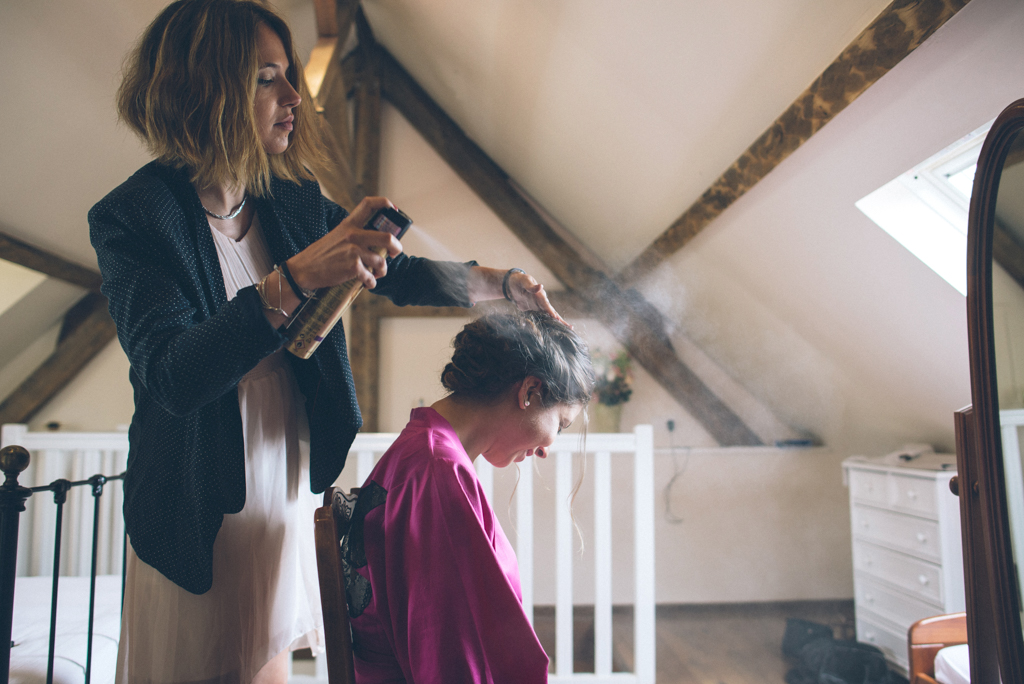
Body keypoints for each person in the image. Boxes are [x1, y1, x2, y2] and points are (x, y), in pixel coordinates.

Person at [88, 2, 563, 682]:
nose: (294, 98)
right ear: (205, 89)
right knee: (205, 662)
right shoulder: (135, 217)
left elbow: (395, 270)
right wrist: (296, 278)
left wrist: (502, 283)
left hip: (282, 473)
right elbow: (172, 373)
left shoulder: (291, 201)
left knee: (269, 655)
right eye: (267, 78)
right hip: (196, 491)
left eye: (290, 77)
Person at [344, 310, 595, 683]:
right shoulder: (436, 471)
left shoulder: (426, 451)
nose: (546, 448)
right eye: (559, 424)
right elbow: (446, 654)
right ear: (529, 391)